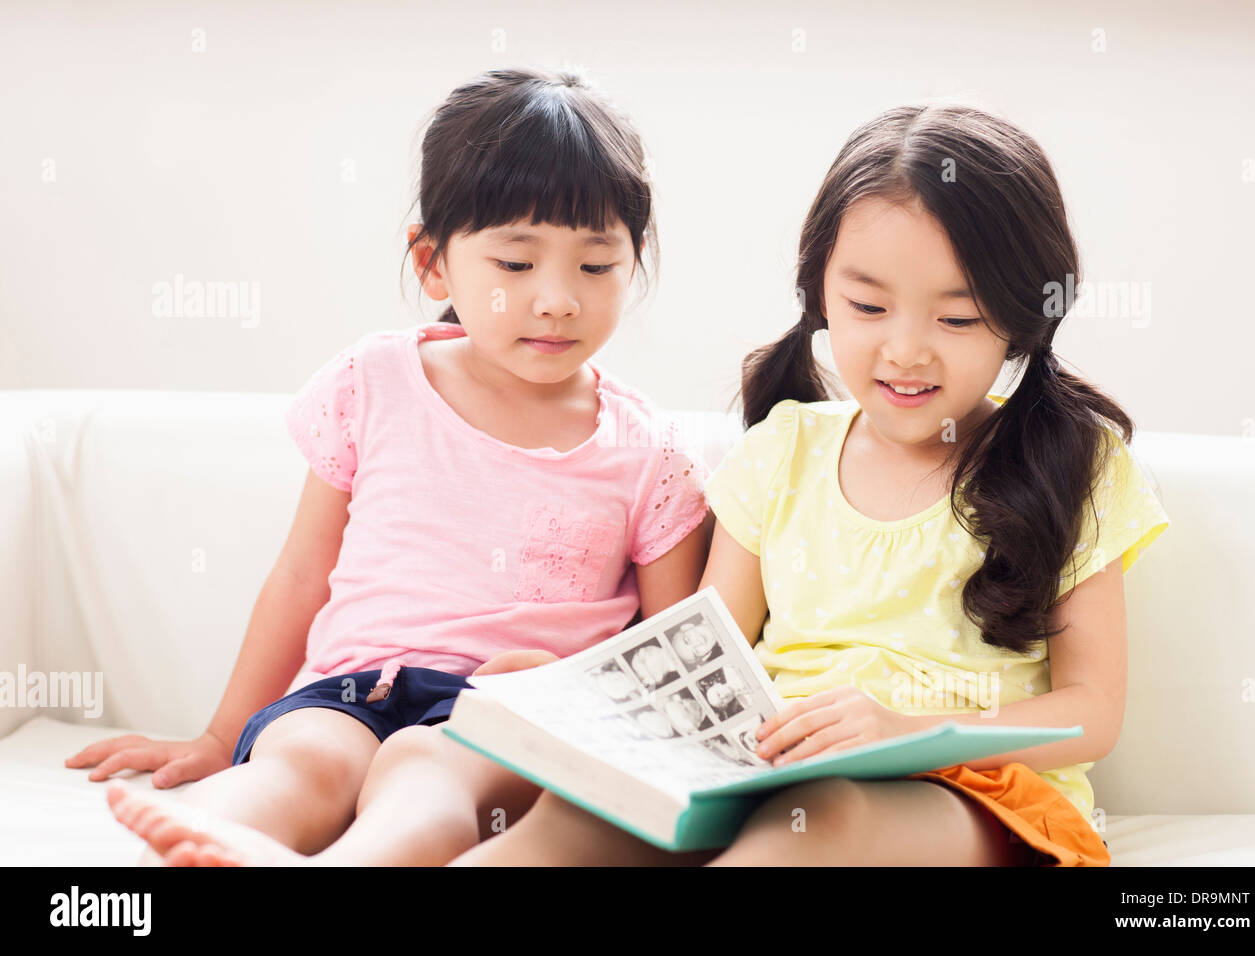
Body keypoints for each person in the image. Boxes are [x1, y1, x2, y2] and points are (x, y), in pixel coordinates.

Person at [444, 102, 1171, 867]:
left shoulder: (1073, 462)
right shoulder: (782, 451)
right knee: (577, 817)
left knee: (830, 814)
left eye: (957, 319)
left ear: (1022, 318)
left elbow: (1092, 712)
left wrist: (905, 729)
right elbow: (704, 658)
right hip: (773, 769)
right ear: (820, 293)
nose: (905, 350)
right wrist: (577, 691)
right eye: (867, 307)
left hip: (981, 792)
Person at [66, 66, 714, 866]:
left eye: (594, 265)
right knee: (302, 759)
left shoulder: (652, 452)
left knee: (426, 772)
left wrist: (560, 689)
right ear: (433, 264)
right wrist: (218, 734)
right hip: (353, 687)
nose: (556, 299)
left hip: (505, 716)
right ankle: (210, 843)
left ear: (634, 262)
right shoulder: (372, 383)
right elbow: (304, 574)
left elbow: (670, 652)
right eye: (516, 264)